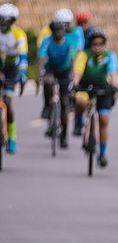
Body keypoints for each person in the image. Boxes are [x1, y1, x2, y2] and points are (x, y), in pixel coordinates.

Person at [72, 27, 118, 167]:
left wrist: (115, 86)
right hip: (85, 86)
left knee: (104, 119)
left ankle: (102, 153)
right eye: (94, 44)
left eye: (100, 44)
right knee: (80, 101)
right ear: (89, 45)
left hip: (103, 87)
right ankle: (79, 122)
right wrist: (74, 83)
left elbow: (112, 73)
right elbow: (78, 72)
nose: (97, 47)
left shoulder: (109, 56)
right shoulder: (84, 55)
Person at [38, 10, 79, 149]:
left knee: (64, 103)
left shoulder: (70, 40)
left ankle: (64, 136)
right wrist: (40, 74)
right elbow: (42, 58)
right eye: (56, 31)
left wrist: (73, 74)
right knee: (48, 82)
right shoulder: (46, 41)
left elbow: (73, 57)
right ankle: (47, 106)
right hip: (51, 69)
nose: (58, 33)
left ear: (64, 30)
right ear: (52, 31)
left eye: (61, 30)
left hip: (65, 70)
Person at [0, 3, 28, 153]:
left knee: (8, 102)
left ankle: (11, 137)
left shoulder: (19, 34)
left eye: (7, 20)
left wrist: (22, 74)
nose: (4, 23)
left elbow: (23, 57)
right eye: (1, 19)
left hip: (11, 69)